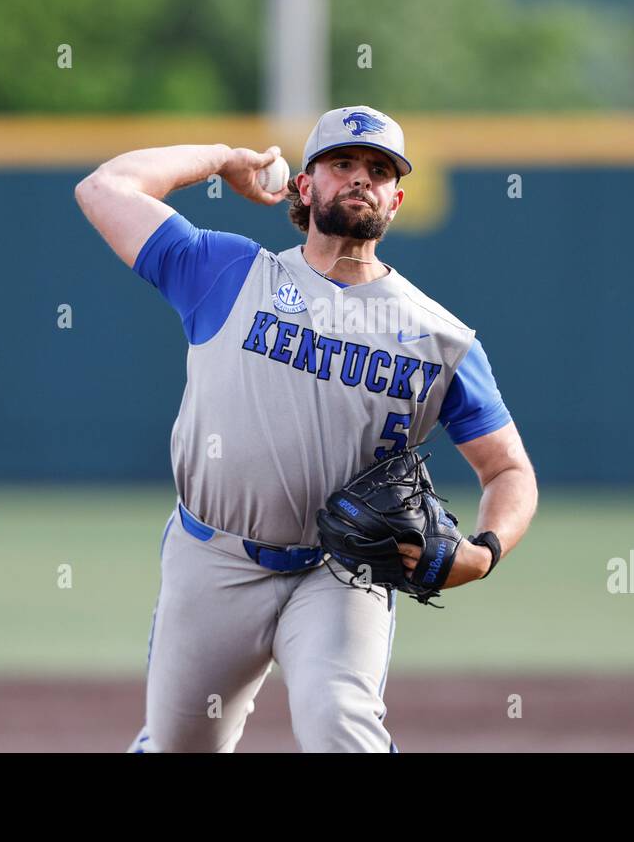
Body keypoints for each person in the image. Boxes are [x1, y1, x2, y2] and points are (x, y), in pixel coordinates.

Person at [75, 105, 537, 752]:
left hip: (342, 572)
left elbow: (508, 470)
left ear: (395, 200)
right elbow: (104, 188)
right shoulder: (230, 273)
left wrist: (484, 551)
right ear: (304, 186)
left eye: (378, 171)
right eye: (341, 163)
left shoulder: (439, 339)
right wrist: (223, 158)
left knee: (340, 726)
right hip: (212, 560)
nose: (360, 178)